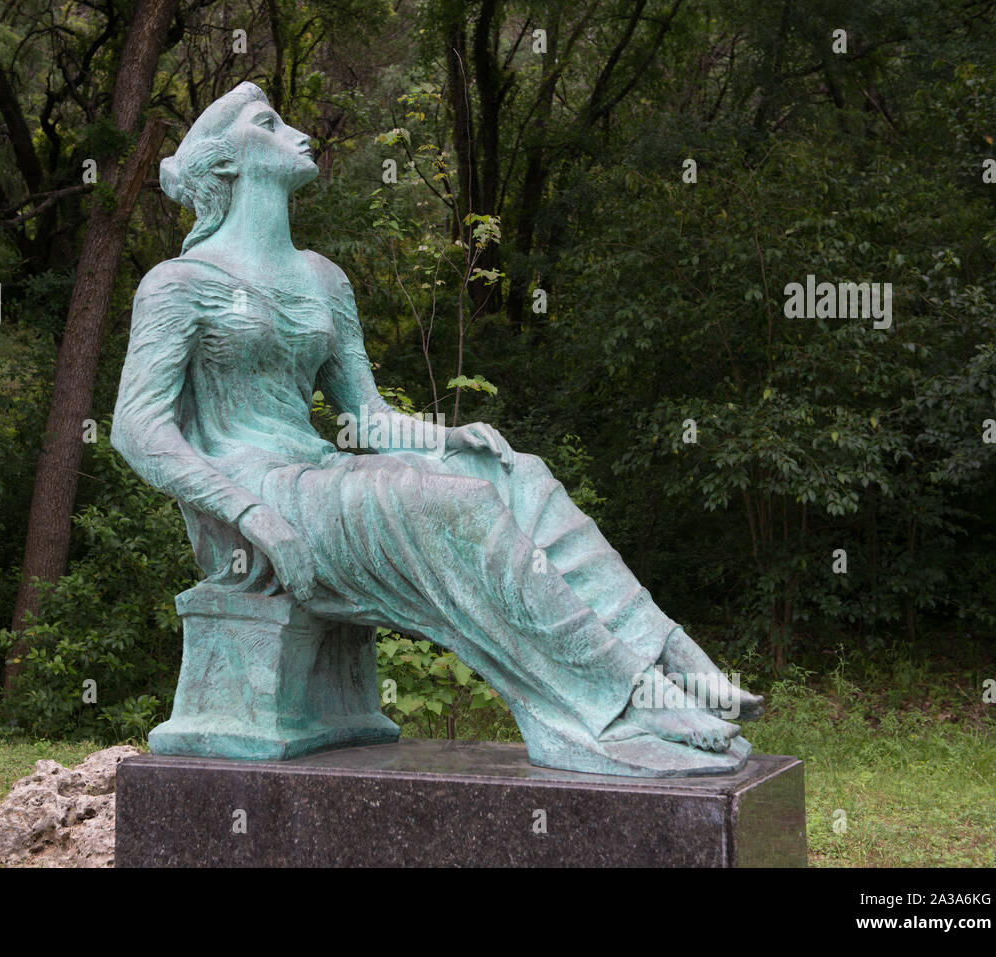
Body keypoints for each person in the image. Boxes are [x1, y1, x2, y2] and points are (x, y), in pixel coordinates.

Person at [112, 82, 762, 776]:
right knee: (458, 504)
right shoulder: (178, 283)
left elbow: (367, 420)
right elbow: (136, 429)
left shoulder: (323, 279)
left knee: (516, 473)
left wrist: (446, 439)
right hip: (255, 496)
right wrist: (252, 515)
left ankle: (664, 649)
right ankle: (624, 699)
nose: (299, 134)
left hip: (319, 472)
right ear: (226, 165)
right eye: (269, 125)